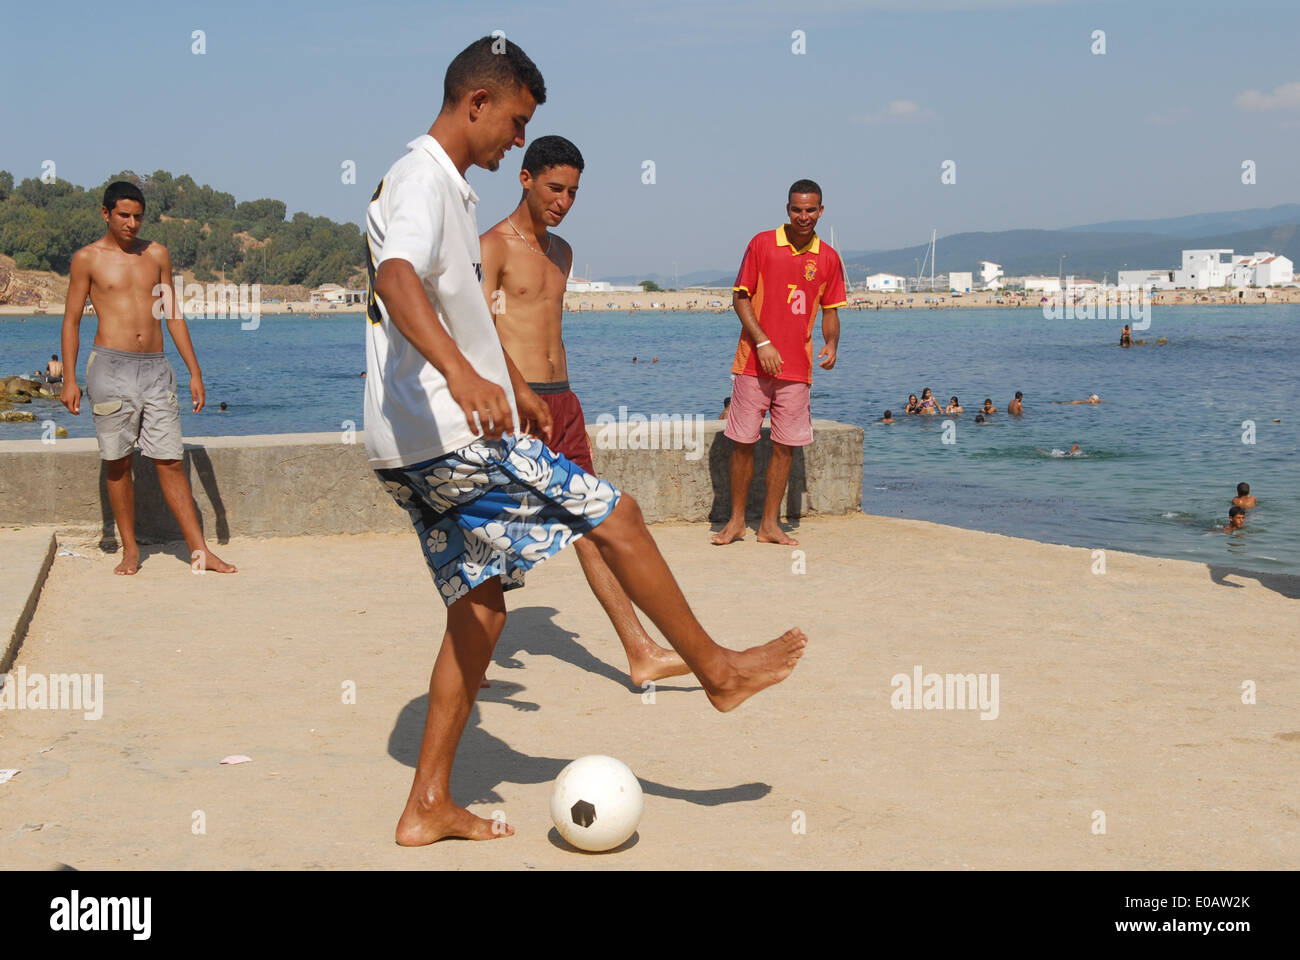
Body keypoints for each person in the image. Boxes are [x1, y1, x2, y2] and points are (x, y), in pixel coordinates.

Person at [364, 37, 805, 846]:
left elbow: (450, 301)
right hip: (448, 432)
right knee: (619, 515)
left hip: (408, 441)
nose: (518, 141)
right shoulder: (426, 177)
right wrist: (465, 376)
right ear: (477, 104)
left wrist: (517, 385)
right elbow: (396, 278)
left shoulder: (443, 189)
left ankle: (427, 804)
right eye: (517, 122)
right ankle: (717, 671)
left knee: (483, 611)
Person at [480, 134, 687, 687]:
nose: (563, 201)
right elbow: (475, 332)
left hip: (562, 402)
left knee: (594, 523)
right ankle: (468, 656)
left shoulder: (562, 253)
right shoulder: (493, 246)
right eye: (554, 188)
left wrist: (562, 400)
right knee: (484, 533)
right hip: (514, 405)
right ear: (524, 179)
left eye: (572, 192)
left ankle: (640, 650)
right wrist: (516, 391)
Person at [59, 181, 235, 576]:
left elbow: (172, 314)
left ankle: (200, 551)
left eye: (138, 216)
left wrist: (194, 370)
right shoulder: (87, 259)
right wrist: (69, 378)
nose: (131, 223)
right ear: (106, 214)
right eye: (124, 215)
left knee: (170, 459)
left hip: (156, 368)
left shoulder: (156, 254)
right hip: (110, 367)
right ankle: (131, 549)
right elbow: (70, 321)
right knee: (118, 462)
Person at [711, 179, 844, 547]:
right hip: (753, 362)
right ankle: (737, 521)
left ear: (821, 211)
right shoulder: (762, 243)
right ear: (787, 209)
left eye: (811, 210)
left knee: (786, 446)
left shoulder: (830, 258)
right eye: (797, 209)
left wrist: (831, 343)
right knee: (743, 442)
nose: (804, 216)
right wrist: (764, 342)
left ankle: (769, 524)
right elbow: (740, 298)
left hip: (797, 369)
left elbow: (830, 310)